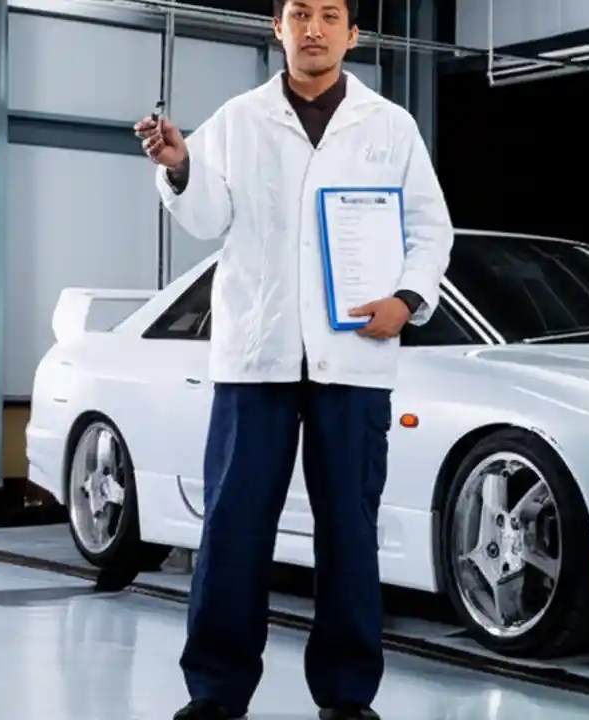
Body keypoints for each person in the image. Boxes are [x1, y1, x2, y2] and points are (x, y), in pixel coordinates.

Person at [132, 0, 453, 717]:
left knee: (349, 531)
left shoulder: (389, 127)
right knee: (234, 526)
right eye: (299, 14)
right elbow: (209, 219)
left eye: (328, 15)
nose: (313, 28)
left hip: (354, 357)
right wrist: (181, 166)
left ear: (352, 33)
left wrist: (408, 297)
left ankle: (345, 697)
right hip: (257, 358)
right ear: (276, 28)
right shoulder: (239, 120)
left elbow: (430, 227)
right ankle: (215, 692)